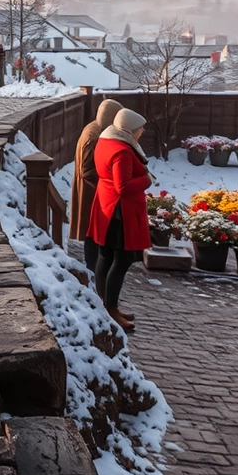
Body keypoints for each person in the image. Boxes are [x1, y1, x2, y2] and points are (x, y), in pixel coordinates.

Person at [87, 109, 152, 332]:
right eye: (139, 128)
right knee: (121, 259)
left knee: (104, 256)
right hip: (119, 211)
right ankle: (111, 308)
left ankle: (104, 304)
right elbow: (122, 187)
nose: (142, 131)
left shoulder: (106, 141)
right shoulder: (122, 151)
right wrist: (145, 180)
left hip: (106, 204)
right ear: (128, 130)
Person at [70, 98, 124, 281]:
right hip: (92, 195)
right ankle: (94, 272)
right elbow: (87, 170)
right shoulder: (94, 136)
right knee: (93, 235)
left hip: (94, 194)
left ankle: (95, 271)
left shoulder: (95, 130)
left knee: (94, 234)